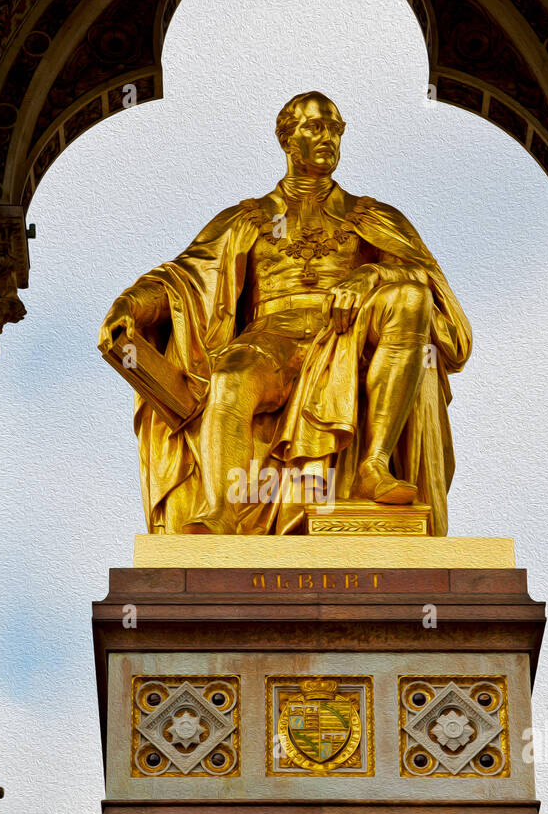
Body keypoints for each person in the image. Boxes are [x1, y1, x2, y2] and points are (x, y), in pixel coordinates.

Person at [99, 92, 471, 536]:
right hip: (270, 338)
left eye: (335, 128)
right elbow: (183, 278)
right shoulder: (247, 219)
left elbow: (425, 280)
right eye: (315, 127)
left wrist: (372, 274)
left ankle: (374, 463)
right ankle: (223, 508)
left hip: (347, 339)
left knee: (410, 296)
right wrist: (130, 305)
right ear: (286, 139)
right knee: (232, 376)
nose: (328, 137)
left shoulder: (371, 216)